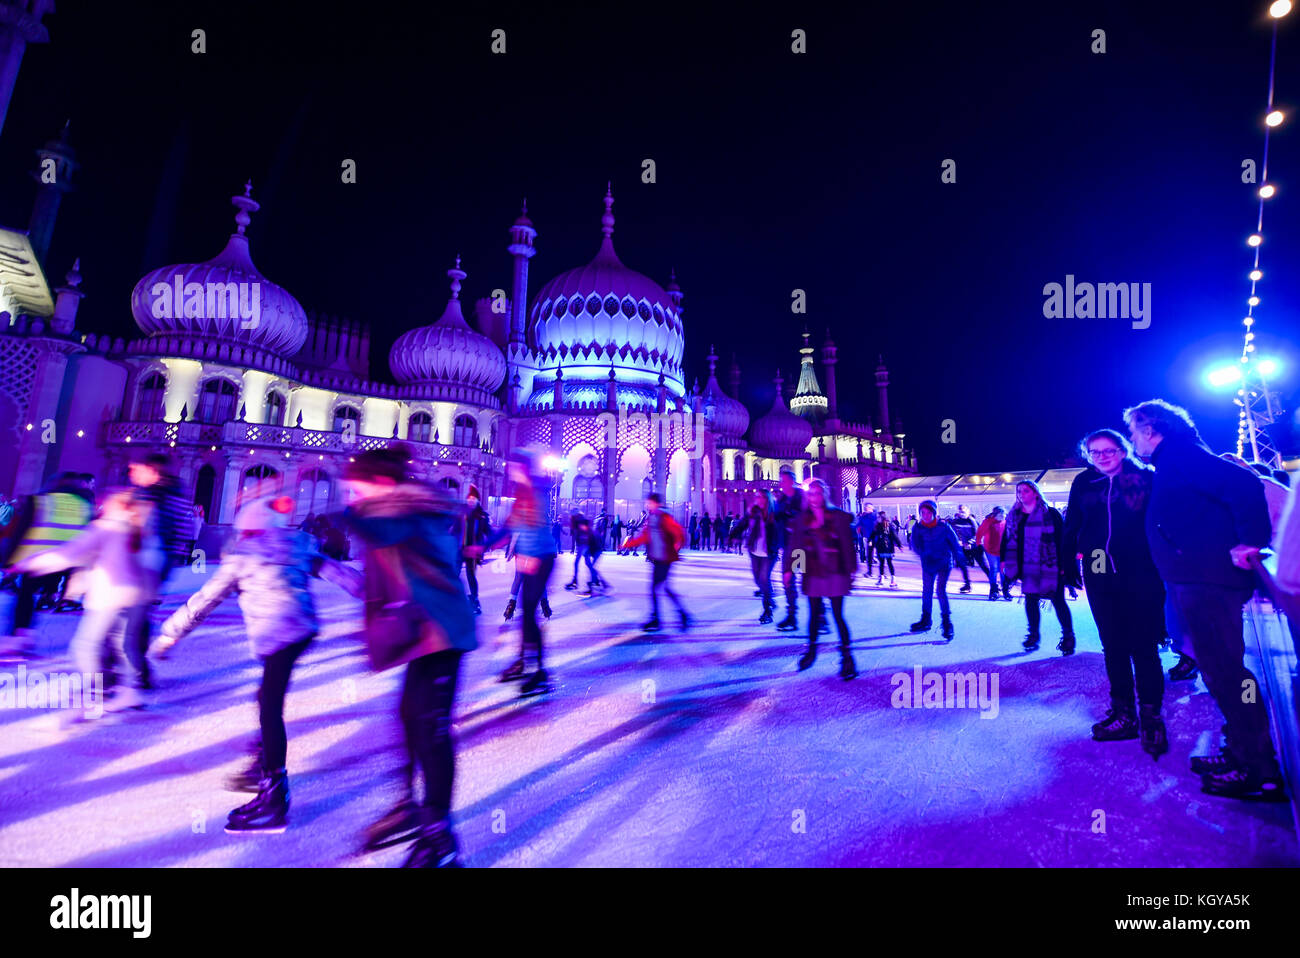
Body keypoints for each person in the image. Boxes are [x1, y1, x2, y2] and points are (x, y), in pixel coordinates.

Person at [1125, 399, 1282, 800]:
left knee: (1228, 675)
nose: (1132, 440)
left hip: (1207, 583)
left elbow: (1244, 484)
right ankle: (1241, 750)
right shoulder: (1174, 459)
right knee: (1221, 672)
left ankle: (1259, 770)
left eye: (1133, 431)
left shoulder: (1180, 455)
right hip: (1197, 580)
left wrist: (1250, 540)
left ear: (1150, 429)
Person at [155, 494, 335, 832]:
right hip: (303, 630)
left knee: (269, 706)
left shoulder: (243, 557)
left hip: (277, 632)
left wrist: (170, 635)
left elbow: (205, 600)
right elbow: (340, 574)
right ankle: (262, 762)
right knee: (267, 698)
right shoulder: (298, 546)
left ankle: (273, 793)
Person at [340, 444, 477, 865]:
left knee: (431, 728)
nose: (353, 501)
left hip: (443, 632)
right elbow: (376, 577)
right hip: (422, 632)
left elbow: (379, 531)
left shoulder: (407, 512)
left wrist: (341, 514)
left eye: (357, 492)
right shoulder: (400, 510)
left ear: (382, 485)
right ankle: (408, 805)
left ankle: (439, 835)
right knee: (407, 716)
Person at [6, 488, 163, 715]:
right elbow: (150, 564)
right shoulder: (138, 531)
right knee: (123, 647)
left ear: (117, 506)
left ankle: (94, 694)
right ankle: (128, 691)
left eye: (108, 502)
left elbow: (69, 554)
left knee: (85, 646)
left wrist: (28, 563)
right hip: (135, 598)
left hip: (110, 597)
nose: (103, 504)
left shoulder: (105, 528)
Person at [1063, 428, 1168, 758]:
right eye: (1095, 452)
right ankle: (1123, 712)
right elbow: (1073, 523)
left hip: (1140, 571)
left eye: (1109, 450)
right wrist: (1067, 566)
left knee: (1144, 646)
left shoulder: (1146, 478)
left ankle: (1151, 715)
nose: (1102, 456)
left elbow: (1164, 521)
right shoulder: (1084, 482)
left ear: (1123, 451)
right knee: (1113, 644)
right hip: (1097, 571)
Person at [0, 472, 93, 657]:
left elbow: (22, 530)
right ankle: (51, 601)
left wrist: (10, 560)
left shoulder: (40, 501)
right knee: (48, 592)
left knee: (26, 595)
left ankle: (22, 635)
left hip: (39, 558)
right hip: (67, 560)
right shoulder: (84, 506)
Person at [485, 454, 557, 694]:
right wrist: (486, 544)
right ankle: (526, 662)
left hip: (541, 558)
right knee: (527, 614)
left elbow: (534, 527)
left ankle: (539, 672)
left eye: (513, 466)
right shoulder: (524, 494)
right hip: (532, 558)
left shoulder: (534, 493)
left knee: (528, 615)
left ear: (523, 468)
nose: (509, 470)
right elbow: (509, 525)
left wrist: (531, 557)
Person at [127, 452, 191, 689]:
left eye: (137, 469)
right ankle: (134, 668)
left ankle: (135, 670)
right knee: (138, 615)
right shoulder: (176, 492)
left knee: (130, 616)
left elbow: (141, 533)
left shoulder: (153, 495)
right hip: (161, 561)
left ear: (152, 471)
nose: (132, 473)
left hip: (146, 562)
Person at [783, 479, 858, 677]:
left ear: (823, 494)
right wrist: (790, 569)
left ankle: (847, 658)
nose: (813, 497)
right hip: (813, 571)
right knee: (814, 614)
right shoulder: (802, 519)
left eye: (816, 493)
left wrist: (851, 570)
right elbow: (796, 546)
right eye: (810, 494)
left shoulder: (837, 517)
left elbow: (847, 545)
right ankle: (812, 651)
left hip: (835, 571)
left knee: (837, 615)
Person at [1001, 480, 1076, 654]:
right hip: (1026, 567)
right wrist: (1006, 563)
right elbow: (1007, 540)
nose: (1021, 494)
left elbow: (1062, 540)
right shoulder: (1014, 515)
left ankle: (1068, 636)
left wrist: (1064, 565)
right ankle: (1033, 635)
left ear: (1035, 492)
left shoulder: (1050, 514)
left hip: (1050, 566)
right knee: (1031, 601)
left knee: (1058, 601)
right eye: (1019, 491)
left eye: (1025, 491)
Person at [620, 493, 689, 632]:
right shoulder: (653, 518)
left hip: (665, 558)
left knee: (656, 588)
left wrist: (676, 546)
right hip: (658, 559)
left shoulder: (663, 517)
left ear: (655, 503)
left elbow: (679, 533)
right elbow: (645, 537)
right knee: (662, 588)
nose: (647, 505)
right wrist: (627, 545)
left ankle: (658, 619)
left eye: (649, 503)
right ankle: (679, 615)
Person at [773, 467, 826, 634]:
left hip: (800, 546)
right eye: (781, 481)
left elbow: (805, 516)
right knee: (788, 581)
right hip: (787, 545)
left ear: (791, 481)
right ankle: (792, 616)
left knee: (806, 580)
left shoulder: (801, 497)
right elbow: (777, 518)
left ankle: (820, 617)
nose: (781, 484)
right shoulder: (781, 499)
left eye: (784, 481)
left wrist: (789, 514)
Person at [907, 499, 964, 640]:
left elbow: (955, 544)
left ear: (934, 512)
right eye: (923, 512)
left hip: (944, 562)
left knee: (940, 591)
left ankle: (947, 623)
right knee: (926, 591)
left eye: (928, 512)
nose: (925, 515)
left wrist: (960, 559)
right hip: (928, 563)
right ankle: (926, 619)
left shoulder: (944, 527)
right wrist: (924, 554)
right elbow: (915, 545)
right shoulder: (918, 528)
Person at [742, 491, 778, 623]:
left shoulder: (774, 514)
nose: (759, 499)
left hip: (768, 553)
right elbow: (742, 524)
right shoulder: (752, 511)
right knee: (758, 580)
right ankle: (770, 598)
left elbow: (780, 531)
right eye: (757, 497)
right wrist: (732, 535)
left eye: (762, 497)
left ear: (767, 499)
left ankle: (767, 611)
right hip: (755, 551)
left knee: (764, 579)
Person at [459, 485, 492, 614]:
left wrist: (487, 545)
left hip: (473, 552)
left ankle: (474, 600)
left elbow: (488, 532)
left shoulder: (481, 516)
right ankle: (453, 601)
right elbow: (454, 528)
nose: (471, 500)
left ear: (478, 500)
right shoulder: (461, 512)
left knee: (471, 576)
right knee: (454, 574)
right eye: (469, 498)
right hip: (459, 549)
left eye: (474, 498)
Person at [947, 504, 982, 593]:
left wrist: (970, 542)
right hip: (962, 547)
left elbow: (977, 533)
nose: (962, 514)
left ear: (968, 511)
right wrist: (957, 541)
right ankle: (967, 584)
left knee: (983, 565)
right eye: (960, 512)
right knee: (962, 565)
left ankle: (994, 585)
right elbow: (953, 532)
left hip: (974, 547)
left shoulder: (972, 521)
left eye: (963, 512)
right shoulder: (956, 521)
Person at [869, 515, 900, 588]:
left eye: (886, 521)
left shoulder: (890, 528)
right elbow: (872, 535)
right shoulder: (878, 528)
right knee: (882, 563)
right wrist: (870, 541)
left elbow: (895, 537)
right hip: (881, 548)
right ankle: (882, 579)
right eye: (884, 521)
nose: (886, 523)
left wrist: (899, 545)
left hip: (888, 548)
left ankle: (892, 580)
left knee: (889, 563)